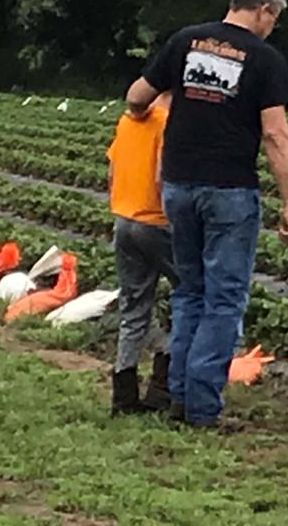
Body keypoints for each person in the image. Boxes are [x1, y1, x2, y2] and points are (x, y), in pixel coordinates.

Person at [125, 0, 288, 430]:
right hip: (228, 190)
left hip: (178, 187)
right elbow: (276, 135)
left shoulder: (185, 42)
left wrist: (144, 119)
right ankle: (203, 408)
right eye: (273, 19)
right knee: (224, 299)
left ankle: (180, 397)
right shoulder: (264, 59)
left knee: (189, 291)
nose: (271, 28)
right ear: (263, 10)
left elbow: (136, 97)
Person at [107, 91, 178, 415]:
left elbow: (112, 172)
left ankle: (124, 394)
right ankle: (162, 387)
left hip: (123, 218)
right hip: (157, 222)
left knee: (133, 306)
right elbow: (164, 176)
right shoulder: (169, 123)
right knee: (187, 294)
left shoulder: (128, 121)